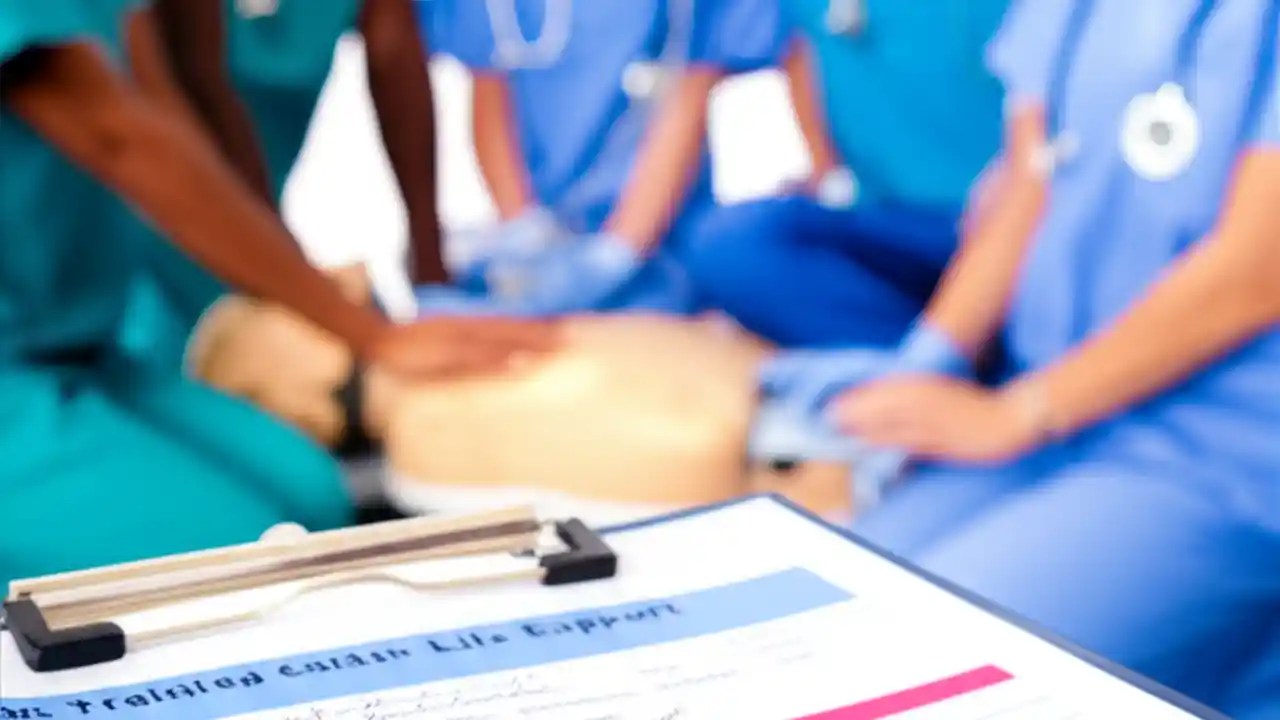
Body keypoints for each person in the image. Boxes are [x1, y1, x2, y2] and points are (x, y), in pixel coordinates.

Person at [764, 0, 1280, 715]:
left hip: (1218, 454)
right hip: (1052, 411)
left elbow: (1259, 270)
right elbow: (1027, 180)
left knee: (904, 681)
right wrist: (931, 356)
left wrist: (1019, 414)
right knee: (803, 632)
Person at [0, 0, 555, 592]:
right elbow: (119, 137)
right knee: (257, 561)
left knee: (312, 497)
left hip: (78, 352)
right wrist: (372, 336)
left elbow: (168, 112)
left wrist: (312, 287)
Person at [117, 0, 449, 372]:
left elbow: (393, 50)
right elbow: (182, 95)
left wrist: (432, 272)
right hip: (152, 247)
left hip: (254, 234)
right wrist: (325, 309)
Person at [683, 0, 1009, 348]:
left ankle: (951, 356)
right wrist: (826, 174)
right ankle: (916, 364)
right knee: (731, 242)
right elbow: (800, 52)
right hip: (892, 222)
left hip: (1010, 226)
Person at [428, 0, 784, 316]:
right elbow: (489, 79)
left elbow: (687, 93)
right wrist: (523, 226)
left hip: (660, 243)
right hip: (533, 239)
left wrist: (619, 251)